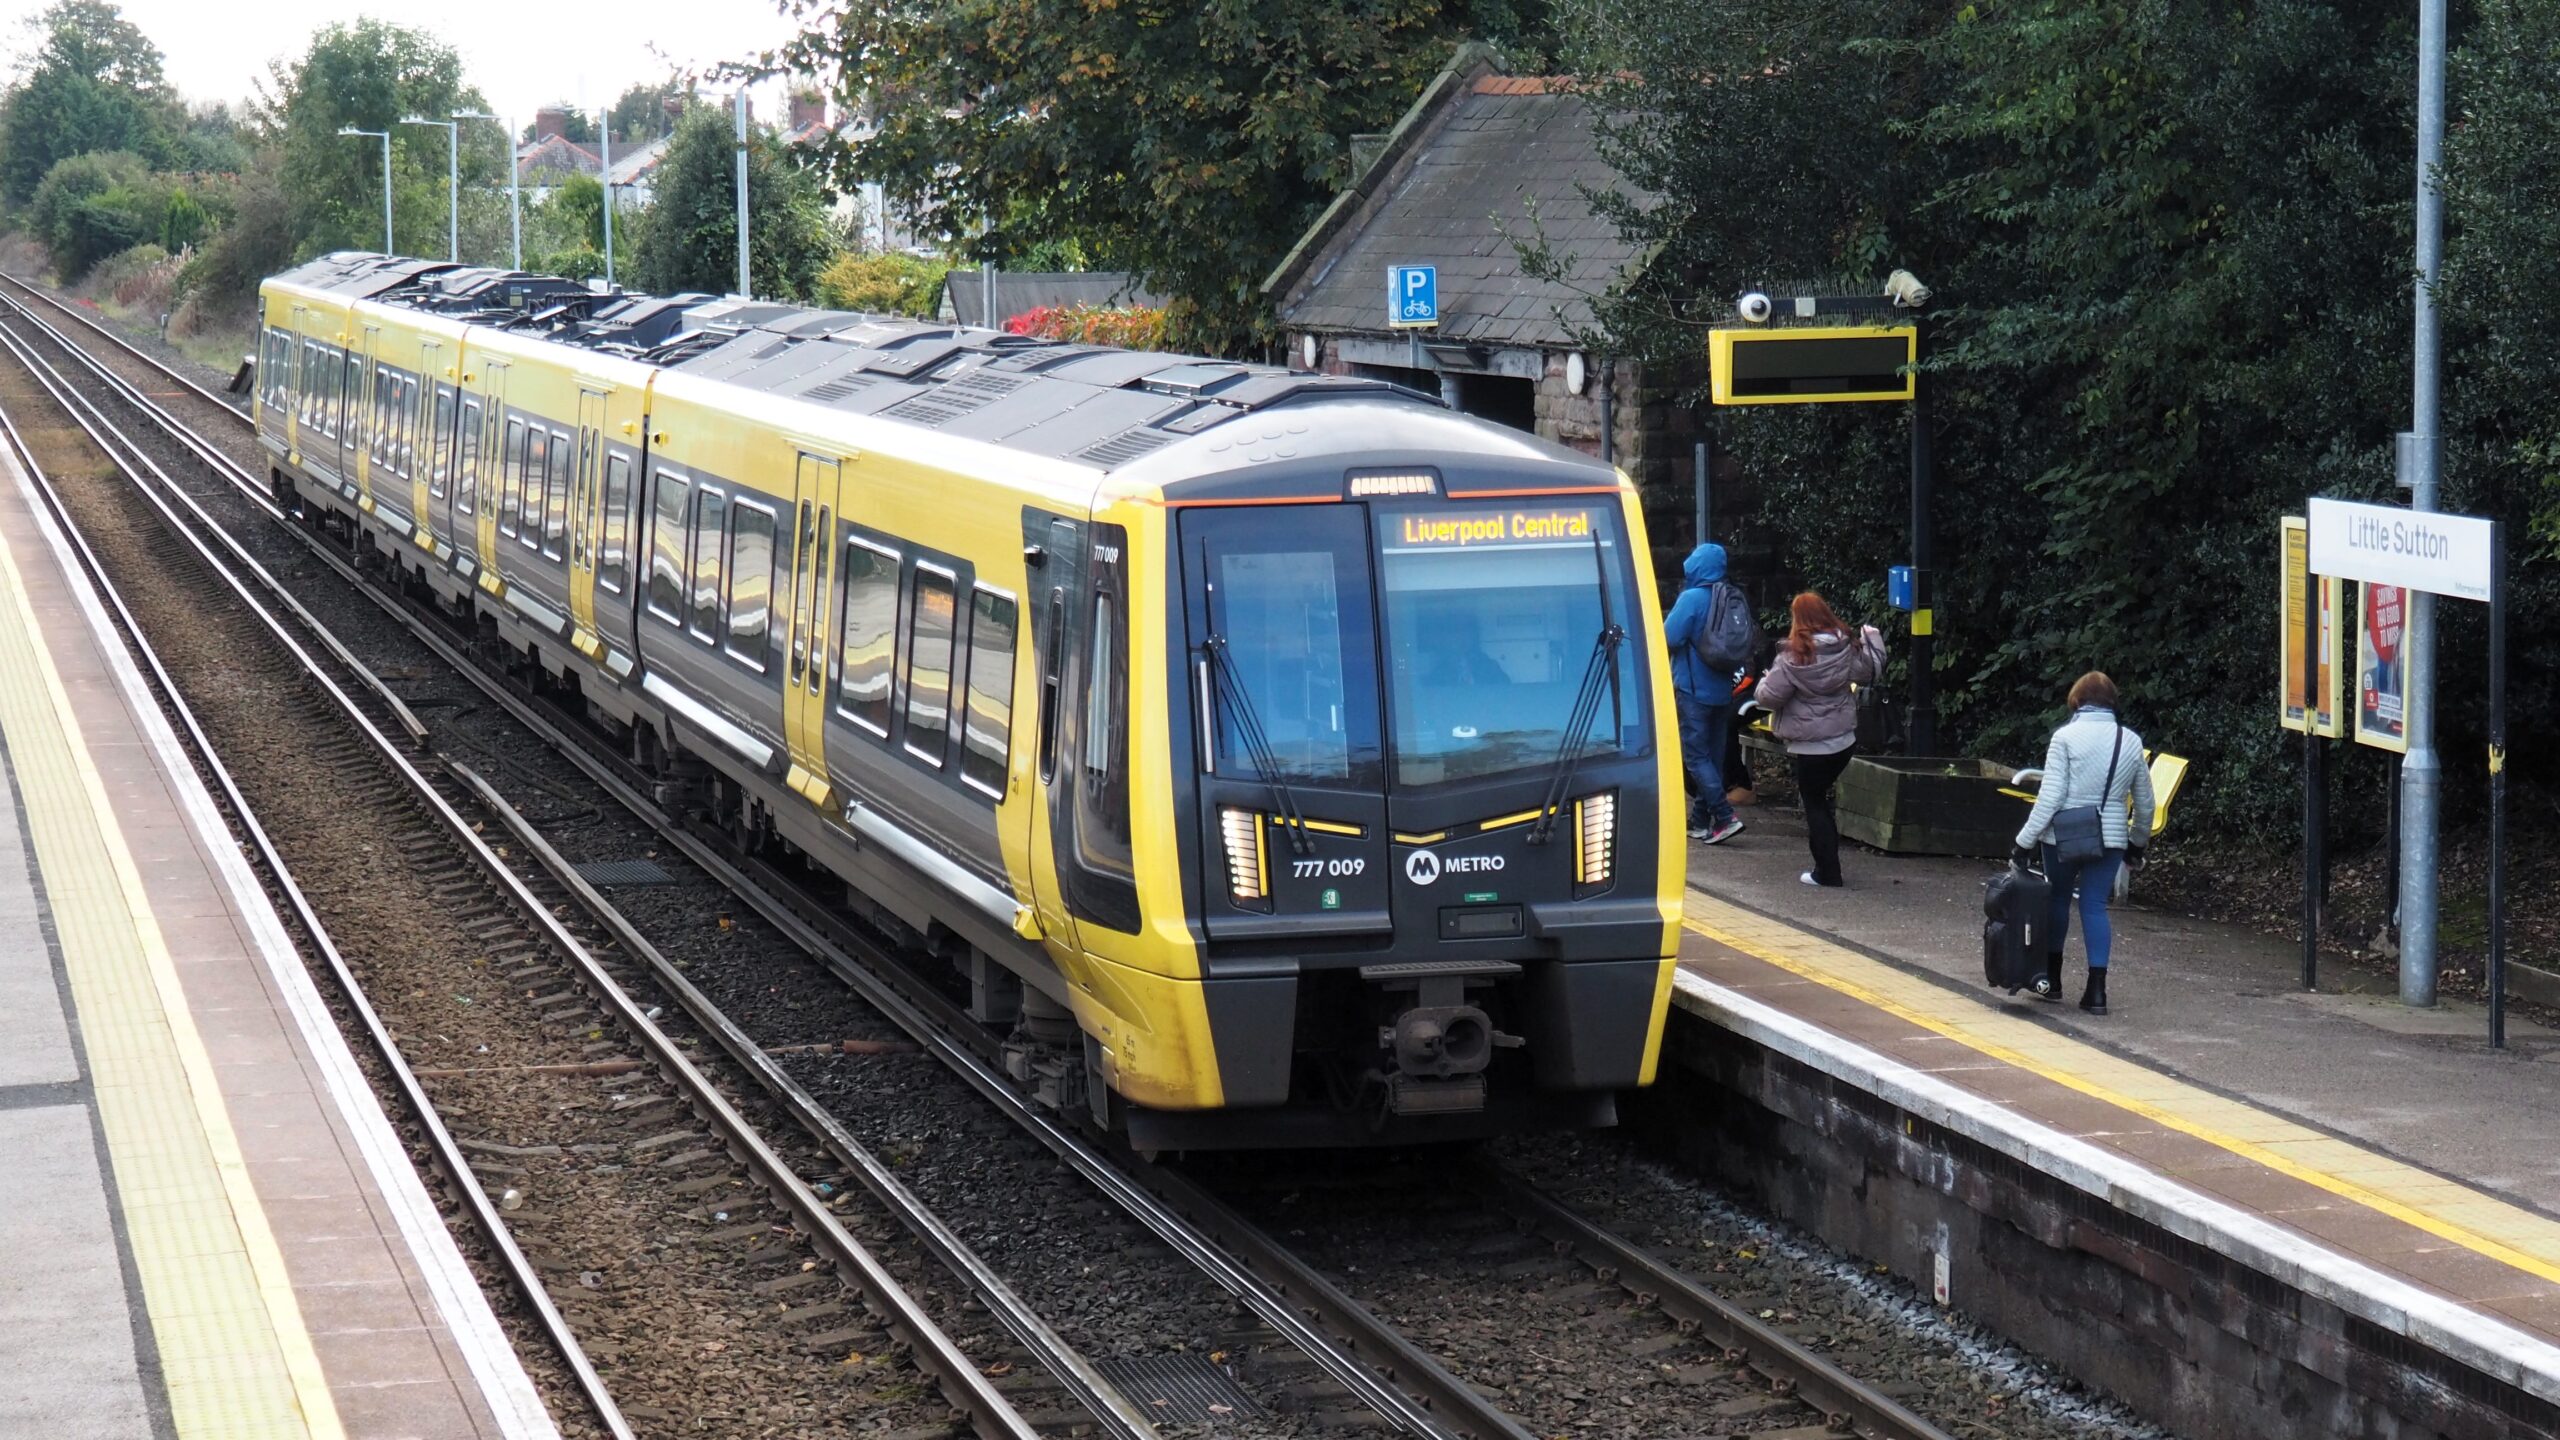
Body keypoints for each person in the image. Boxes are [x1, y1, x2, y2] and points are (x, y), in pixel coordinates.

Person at [2011, 671, 2157, 1015]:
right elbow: (2145, 803)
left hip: (2062, 835)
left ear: (2076, 700)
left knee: (2058, 900)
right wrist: (2137, 844)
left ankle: (2052, 980)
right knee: (2094, 906)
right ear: (2112, 702)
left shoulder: (2064, 738)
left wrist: (2023, 842)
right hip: (2110, 838)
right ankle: (2097, 992)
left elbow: (2051, 797)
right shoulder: (2129, 740)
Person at [1753, 592, 1883, 887]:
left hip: (1811, 745)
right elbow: (1867, 672)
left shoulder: (1791, 657)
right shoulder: (1845, 647)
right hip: (1843, 740)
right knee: (1820, 799)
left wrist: (1764, 679)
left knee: (1815, 803)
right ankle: (1827, 868)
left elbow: (1768, 697)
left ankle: (1827, 872)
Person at [1661, 543, 1746, 845]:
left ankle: (1725, 817)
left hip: (1693, 689)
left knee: (1697, 758)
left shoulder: (1692, 598)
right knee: (1713, 757)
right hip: (1723, 689)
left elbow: (1668, 636)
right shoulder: (1731, 596)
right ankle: (1699, 821)